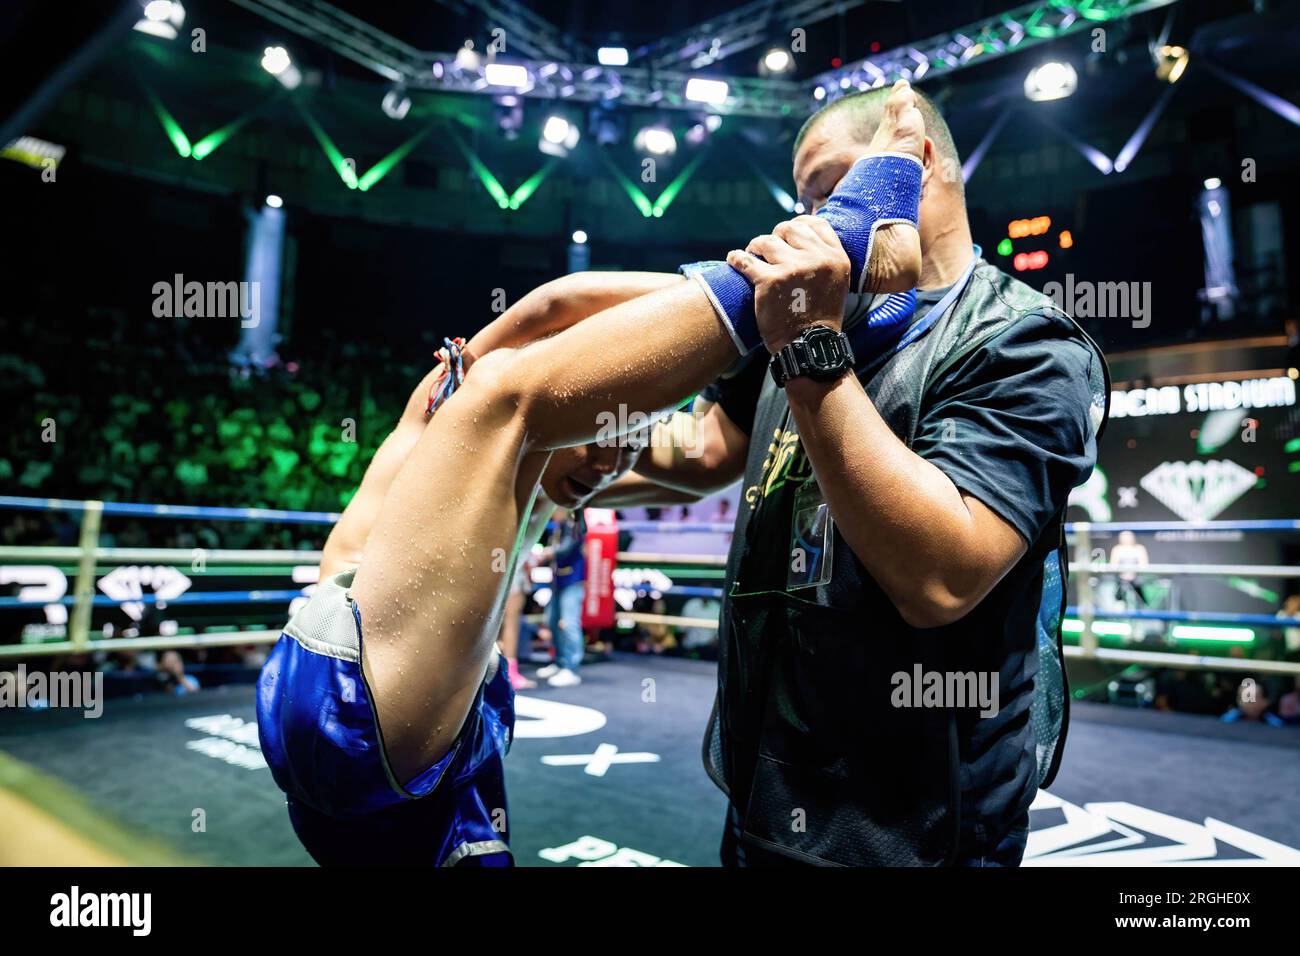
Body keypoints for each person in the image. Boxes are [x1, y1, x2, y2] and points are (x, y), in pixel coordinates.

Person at [255, 79, 929, 866]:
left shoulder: (544, 466)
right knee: (505, 398)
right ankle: (854, 240)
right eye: (603, 434)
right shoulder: (462, 393)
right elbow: (550, 314)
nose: (611, 460)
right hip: (347, 689)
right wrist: (819, 284)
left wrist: (810, 327)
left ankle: (846, 259)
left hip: (411, 735)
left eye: (623, 442)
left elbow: (711, 455)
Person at [594, 83, 1108, 866]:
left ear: (916, 165)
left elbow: (940, 575)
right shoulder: (814, 315)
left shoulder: (1025, 344)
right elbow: (708, 446)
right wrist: (596, 454)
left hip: (917, 833)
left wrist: (809, 347)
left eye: (833, 188)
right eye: (803, 199)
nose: (814, 219)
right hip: (764, 795)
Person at [536, 508, 587, 687]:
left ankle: (571, 669)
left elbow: (566, 548)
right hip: (559, 581)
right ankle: (560, 662)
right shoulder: (559, 526)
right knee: (552, 621)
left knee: (569, 623)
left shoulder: (575, 524)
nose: (551, 511)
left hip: (572, 581)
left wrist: (549, 553)